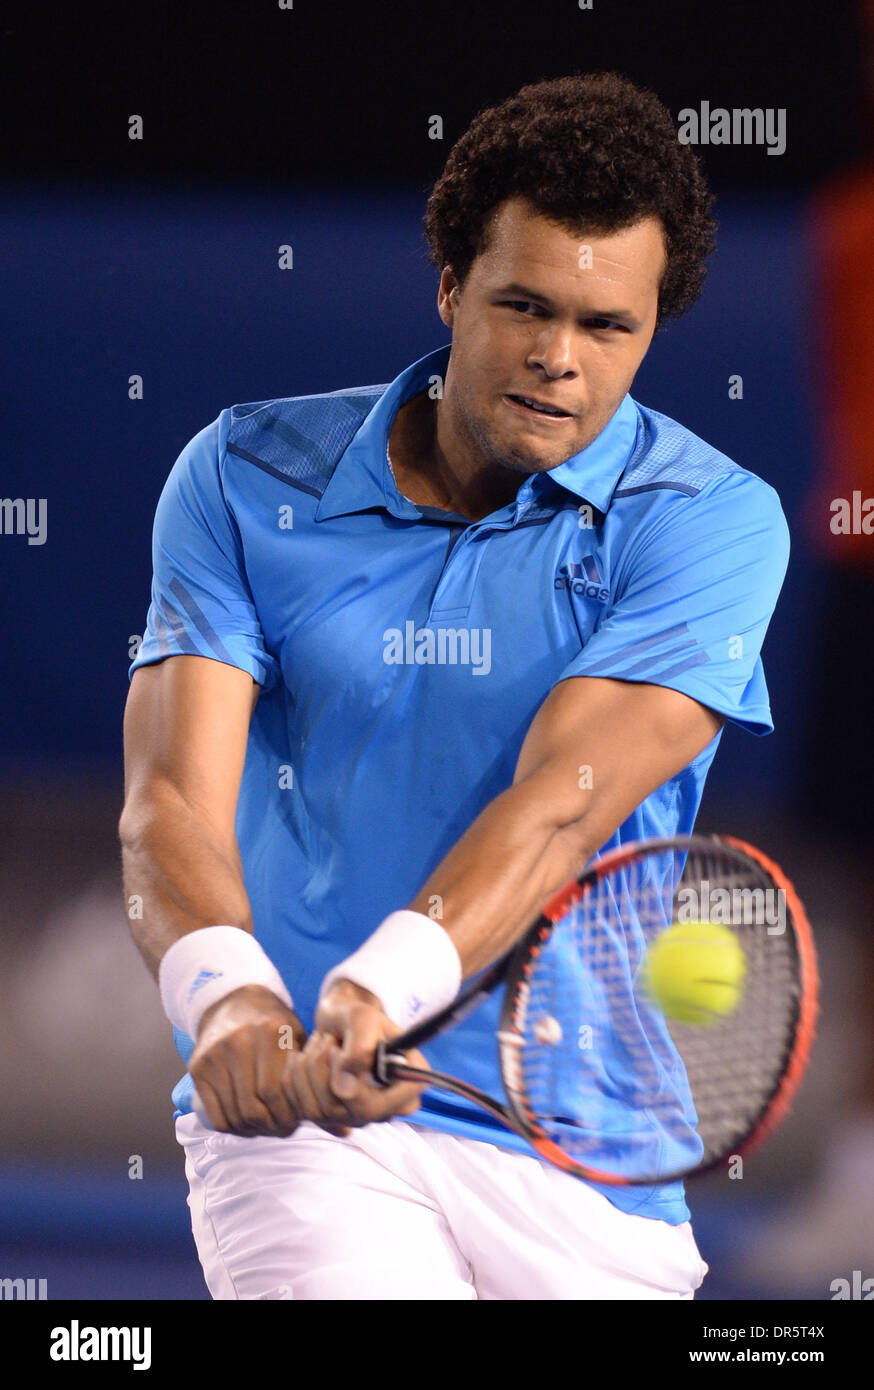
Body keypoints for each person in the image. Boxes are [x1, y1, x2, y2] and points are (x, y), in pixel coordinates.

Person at [120, 71, 789, 1300]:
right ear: (448, 290)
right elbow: (170, 796)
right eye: (522, 306)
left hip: (585, 1148)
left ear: (652, 331)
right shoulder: (241, 473)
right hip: (312, 1135)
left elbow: (565, 805)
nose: (556, 358)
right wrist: (226, 997)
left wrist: (383, 989)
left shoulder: (710, 522)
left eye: (607, 328)